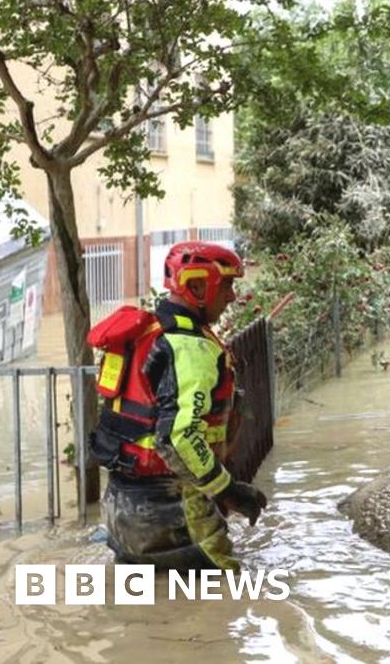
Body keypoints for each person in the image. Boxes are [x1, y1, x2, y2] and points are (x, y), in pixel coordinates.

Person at [88, 241, 267, 571]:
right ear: (197, 285)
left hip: (117, 512)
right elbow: (178, 438)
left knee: (146, 613)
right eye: (227, 285)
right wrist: (228, 490)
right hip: (169, 513)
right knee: (230, 603)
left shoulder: (146, 334)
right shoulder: (190, 348)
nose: (231, 296)